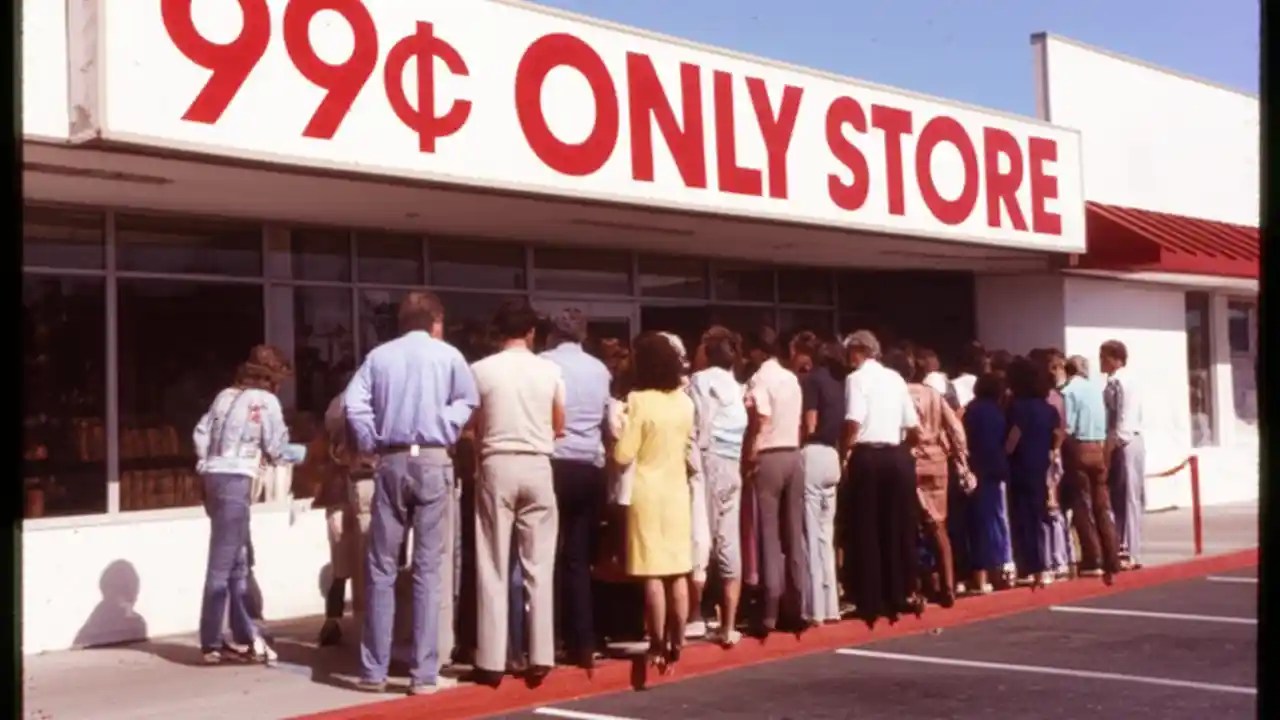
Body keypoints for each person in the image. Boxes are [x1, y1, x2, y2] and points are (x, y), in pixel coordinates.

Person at [344, 292, 478, 695]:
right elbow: (468, 399)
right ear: (434, 319)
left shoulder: (379, 357)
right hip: (434, 458)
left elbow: (354, 404)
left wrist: (370, 441)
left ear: (401, 321)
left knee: (381, 568)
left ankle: (374, 670)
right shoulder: (449, 355)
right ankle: (422, 673)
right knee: (428, 569)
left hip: (392, 458)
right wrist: (446, 424)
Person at [469, 298, 566, 688]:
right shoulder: (550, 370)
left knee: (493, 563)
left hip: (496, 462)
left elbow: (472, 424)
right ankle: (540, 653)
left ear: (498, 333)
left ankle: (492, 658)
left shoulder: (480, 370)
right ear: (530, 333)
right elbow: (560, 423)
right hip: (538, 463)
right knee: (538, 565)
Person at [192, 345, 302, 666]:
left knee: (238, 558)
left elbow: (200, 433)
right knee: (223, 564)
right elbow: (278, 447)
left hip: (211, 479)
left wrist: (210, 460)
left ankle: (245, 633)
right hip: (236, 480)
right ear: (271, 378)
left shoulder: (223, 396)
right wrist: (305, 453)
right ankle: (211, 642)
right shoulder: (266, 402)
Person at [613, 332, 696, 673]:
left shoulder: (638, 400)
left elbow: (623, 454)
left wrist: (616, 434)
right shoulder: (685, 402)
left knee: (652, 572)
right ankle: (679, 638)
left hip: (646, 492)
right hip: (677, 491)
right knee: (677, 571)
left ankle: (657, 642)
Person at [540, 309, 612, 670]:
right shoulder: (600, 370)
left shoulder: (543, 365)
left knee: (546, 555)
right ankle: (582, 641)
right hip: (589, 465)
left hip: (554, 462)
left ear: (552, 333)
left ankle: (547, 636)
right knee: (579, 558)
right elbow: (605, 419)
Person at [840, 332, 922, 626]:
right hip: (897, 455)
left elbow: (853, 420)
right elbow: (913, 425)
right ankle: (899, 591)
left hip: (869, 455)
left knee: (867, 527)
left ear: (860, 351)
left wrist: (844, 451)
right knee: (897, 526)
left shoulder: (856, 379)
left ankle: (871, 598)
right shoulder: (896, 378)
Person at [742, 327, 809, 636]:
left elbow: (761, 418)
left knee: (769, 535)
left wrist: (751, 454)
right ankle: (798, 606)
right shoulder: (790, 379)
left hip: (769, 454)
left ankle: (769, 611)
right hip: (793, 452)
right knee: (795, 533)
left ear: (757, 352)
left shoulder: (759, 380)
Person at [689, 327, 749, 646]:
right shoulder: (738, 387)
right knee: (729, 543)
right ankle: (728, 625)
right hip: (733, 462)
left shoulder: (700, 381)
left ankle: (694, 615)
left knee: (701, 539)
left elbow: (697, 422)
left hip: (708, 460)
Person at [905, 351, 971, 607]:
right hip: (936, 459)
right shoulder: (933, 395)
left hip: (912, 458)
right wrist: (961, 457)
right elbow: (955, 427)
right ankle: (948, 585)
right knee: (938, 525)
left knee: (911, 527)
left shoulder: (900, 394)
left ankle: (917, 586)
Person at [1004, 358, 1064, 588]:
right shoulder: (1047, 408)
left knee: (1022, 517)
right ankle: (1046, 565)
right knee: (1040, 515)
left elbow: (1014, 436)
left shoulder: (1017, 407)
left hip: (1020, 464)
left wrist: (1005, 452)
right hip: (1041, 464)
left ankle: (1031, 565)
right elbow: (1056, 435)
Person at [1060, 355, 1120, 584]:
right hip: (1099, 446)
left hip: (1080, 447)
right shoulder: (1096, 390)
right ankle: (1111, 555)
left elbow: (1069, 426)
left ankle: (1093, 557)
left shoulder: (1069, 392)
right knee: (1102, 506)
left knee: (1082, 505)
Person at [799, 341, 846, 624]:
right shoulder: (841, 383)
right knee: (827, 535)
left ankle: (813, 608)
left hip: (814, 453)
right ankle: (831, 606)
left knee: (810, 534)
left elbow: (810, 423)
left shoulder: (813, 381)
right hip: (833, 455)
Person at [963, 373, 1015, 593]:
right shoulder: (998, 412)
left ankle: (982, 575)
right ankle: (1003, 569)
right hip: (997, 467)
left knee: (980, 522)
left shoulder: (972, 410)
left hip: (978, 468)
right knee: (998, 519)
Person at [1101, 340, 1145, 570]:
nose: (1101, 361)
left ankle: (1127, 549)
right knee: (1131, 497)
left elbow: (1118, 417)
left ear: (1115, 358)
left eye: (1104, 356)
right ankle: (1130, 547)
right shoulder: (1133, 379)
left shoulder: (1117, 382)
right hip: (1133, 438)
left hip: (1124, 440)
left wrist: (1110, 446)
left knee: (1126, 496)